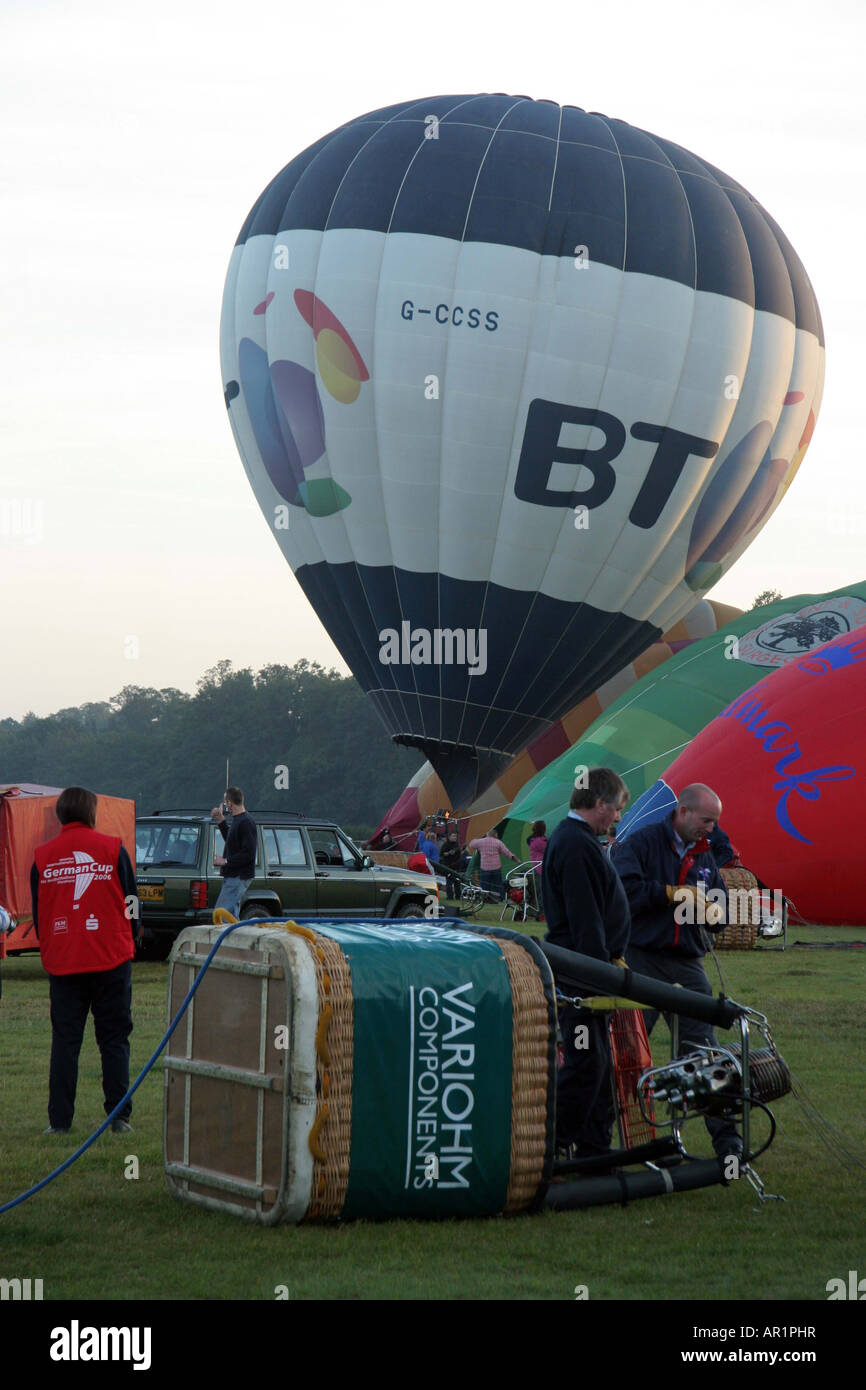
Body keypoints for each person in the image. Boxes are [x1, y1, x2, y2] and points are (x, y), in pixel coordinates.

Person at [611, 782, 742, 1162]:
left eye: (715, 822)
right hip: (641, 959)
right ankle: (594, 1144)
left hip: (687, 964)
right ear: (683, 812)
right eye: (706, 820)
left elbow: (721, 913)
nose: (711, 829)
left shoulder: (705, 857)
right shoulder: (643, 842)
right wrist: (670, 893)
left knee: (705, 1053)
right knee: (627, 1052)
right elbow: (624, 892)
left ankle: (728, 1145)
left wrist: (715, 914)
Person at [30, 786, 138, 1136]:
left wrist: (52, 945)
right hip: (111, 958)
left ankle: (59, 1123)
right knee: (114, 1039)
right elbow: (132, 900)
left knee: (65, 1042)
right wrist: (133, 936)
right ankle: (119, 1118)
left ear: (60, 815)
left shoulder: (43, 857)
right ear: (92, 814)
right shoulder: (113, 849)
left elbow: (38, 910)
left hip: (64, 963)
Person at [542, 768, 631, 1157]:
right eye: (616, 809)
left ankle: (595, 1148)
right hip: (582, 982)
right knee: (586, 1064)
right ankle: (549, 1146)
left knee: (600, 1066)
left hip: (587, 974)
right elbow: (585, 920)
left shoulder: (576, 839)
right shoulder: (576, 845)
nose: (617, 817)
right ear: (599, 805)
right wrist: (599, 976)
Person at [211, 787, 257, 918]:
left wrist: (225, 861)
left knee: (220, 915)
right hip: (233, 875)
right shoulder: (238, 820)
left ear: (230, 803)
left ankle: (223, 938)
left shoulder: (246, 822)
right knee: (230, 917)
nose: (225, 805)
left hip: (238, 876)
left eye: (225, 802)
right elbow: (232, 842)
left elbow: (249, 854)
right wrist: (221, 820)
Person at [468, 831, 517, 901]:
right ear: (495, 834)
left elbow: (471, 844)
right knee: (498, 884)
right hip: (496, 867)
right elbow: (507, 853)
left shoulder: (480, 842)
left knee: (485, 885)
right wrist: (516, 860)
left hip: (485, 867)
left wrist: (478, 841)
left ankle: (485, 899)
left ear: (487, 834)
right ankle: (501, 898)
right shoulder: (498, 842)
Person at [438, 825, 466, 899]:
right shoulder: (445, 844)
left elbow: (459, 854)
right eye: (453, 836)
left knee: (457, 882)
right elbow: (441, 854)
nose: (455, 838)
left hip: (456, 866)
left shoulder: (457, 844)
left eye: (455, 836)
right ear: (449, 836)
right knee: (449, 883)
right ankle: (450, 897)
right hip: (448, 866)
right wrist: (448, 853)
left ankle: (458, 896)